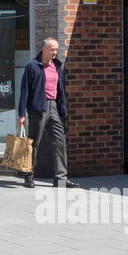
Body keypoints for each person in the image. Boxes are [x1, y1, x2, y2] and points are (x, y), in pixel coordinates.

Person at [17, 36, 76, 189]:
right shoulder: (32, 66)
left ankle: (60, 179)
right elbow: (24, 90)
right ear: (44, 49)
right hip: (38, 108)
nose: (55, 52)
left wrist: (62, 108)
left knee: (60, 141)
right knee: (33, 143)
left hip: (54, 107)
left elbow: (60, 89)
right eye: (52, 49)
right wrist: (21, 113)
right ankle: (28, 175)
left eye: (56, 49)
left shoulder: (57, 66)